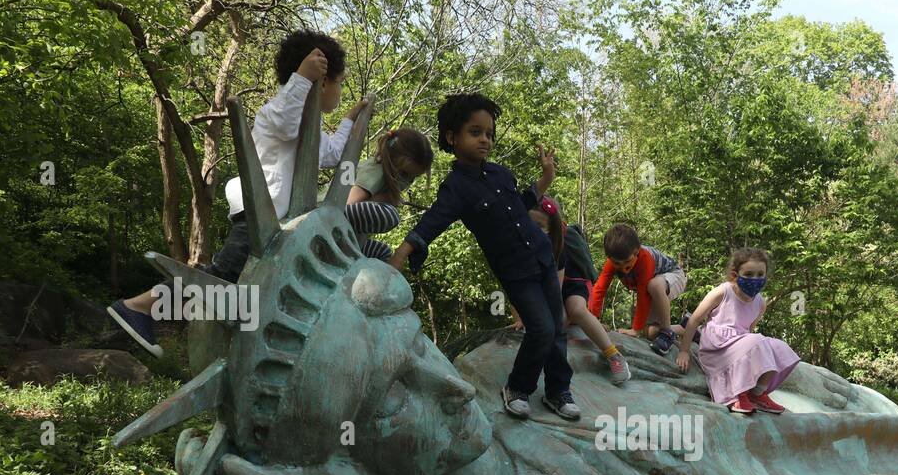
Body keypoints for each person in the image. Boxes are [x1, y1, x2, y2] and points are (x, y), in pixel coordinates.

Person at [105, 31, 369, 357]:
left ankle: (231, 349)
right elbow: (287, 119)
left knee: (246, 290)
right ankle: (138, 306)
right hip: (259, 216)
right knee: (221, 277)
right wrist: (302, 78)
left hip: (273, 222)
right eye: (339, 82)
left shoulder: (307, 122)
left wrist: (348, 121)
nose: (341, 91)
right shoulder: (279, 112)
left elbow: (329, 154)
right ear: (323, 80)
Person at [387, 93, 578, 421]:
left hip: (543, 257)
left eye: (489, 133)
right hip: (516, 272)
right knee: (542, 328)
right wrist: (403, 251)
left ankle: (558, 390)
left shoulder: (501, 174)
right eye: (475, 132)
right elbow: (433, 220)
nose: (485, 140)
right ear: (452, 137)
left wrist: (545, 180)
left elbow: (521, 203)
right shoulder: (456, 188)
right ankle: (518, 387)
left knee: (557, 327)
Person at [676, 247, 799, 414]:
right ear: (735, 275)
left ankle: (757, 393)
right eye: (748, 274)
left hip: (740, 344)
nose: (754, 279)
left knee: (779, 346)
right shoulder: (722, 292)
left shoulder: (760, 303)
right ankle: (736, 394)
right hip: (717, 349)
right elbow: (694, 320)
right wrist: (684, 351)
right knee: (757, 341)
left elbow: (749, 330)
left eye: (760, 275)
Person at [528, 198, 631, 385]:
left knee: (575, 310)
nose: (534, 229)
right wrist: (519, 318)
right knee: (558, 322)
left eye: (539, 225)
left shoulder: (563, 240)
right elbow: (519, 283)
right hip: (551, 287)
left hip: (574, 283)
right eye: (530, 223)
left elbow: (559, 289)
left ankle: (613, 355)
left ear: (553, 225)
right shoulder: (525, 244)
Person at [588, 224, 687, 355]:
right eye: (617, 263)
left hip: (674, 277)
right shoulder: (611, 264)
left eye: (627, 261)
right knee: (649, 333)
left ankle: (667, 333)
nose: (623, 268)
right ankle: (686, 329)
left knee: (654, 285)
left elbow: (642, 296)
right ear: (610, 258)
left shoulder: (645, 259)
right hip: (652, 290)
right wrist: (593, 319)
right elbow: (599, 289)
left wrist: (635, 329)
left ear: (637, 252)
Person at [345, 128, 434, 260]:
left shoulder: (386, 181)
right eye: (404, 174)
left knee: (383, 253)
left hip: (352, 237)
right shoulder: (376, 171)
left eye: (412, 178)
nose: (407, 182)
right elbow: (346, 204)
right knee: (390, 215)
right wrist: (381, 200)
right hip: (327, 219)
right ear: (391, 162)